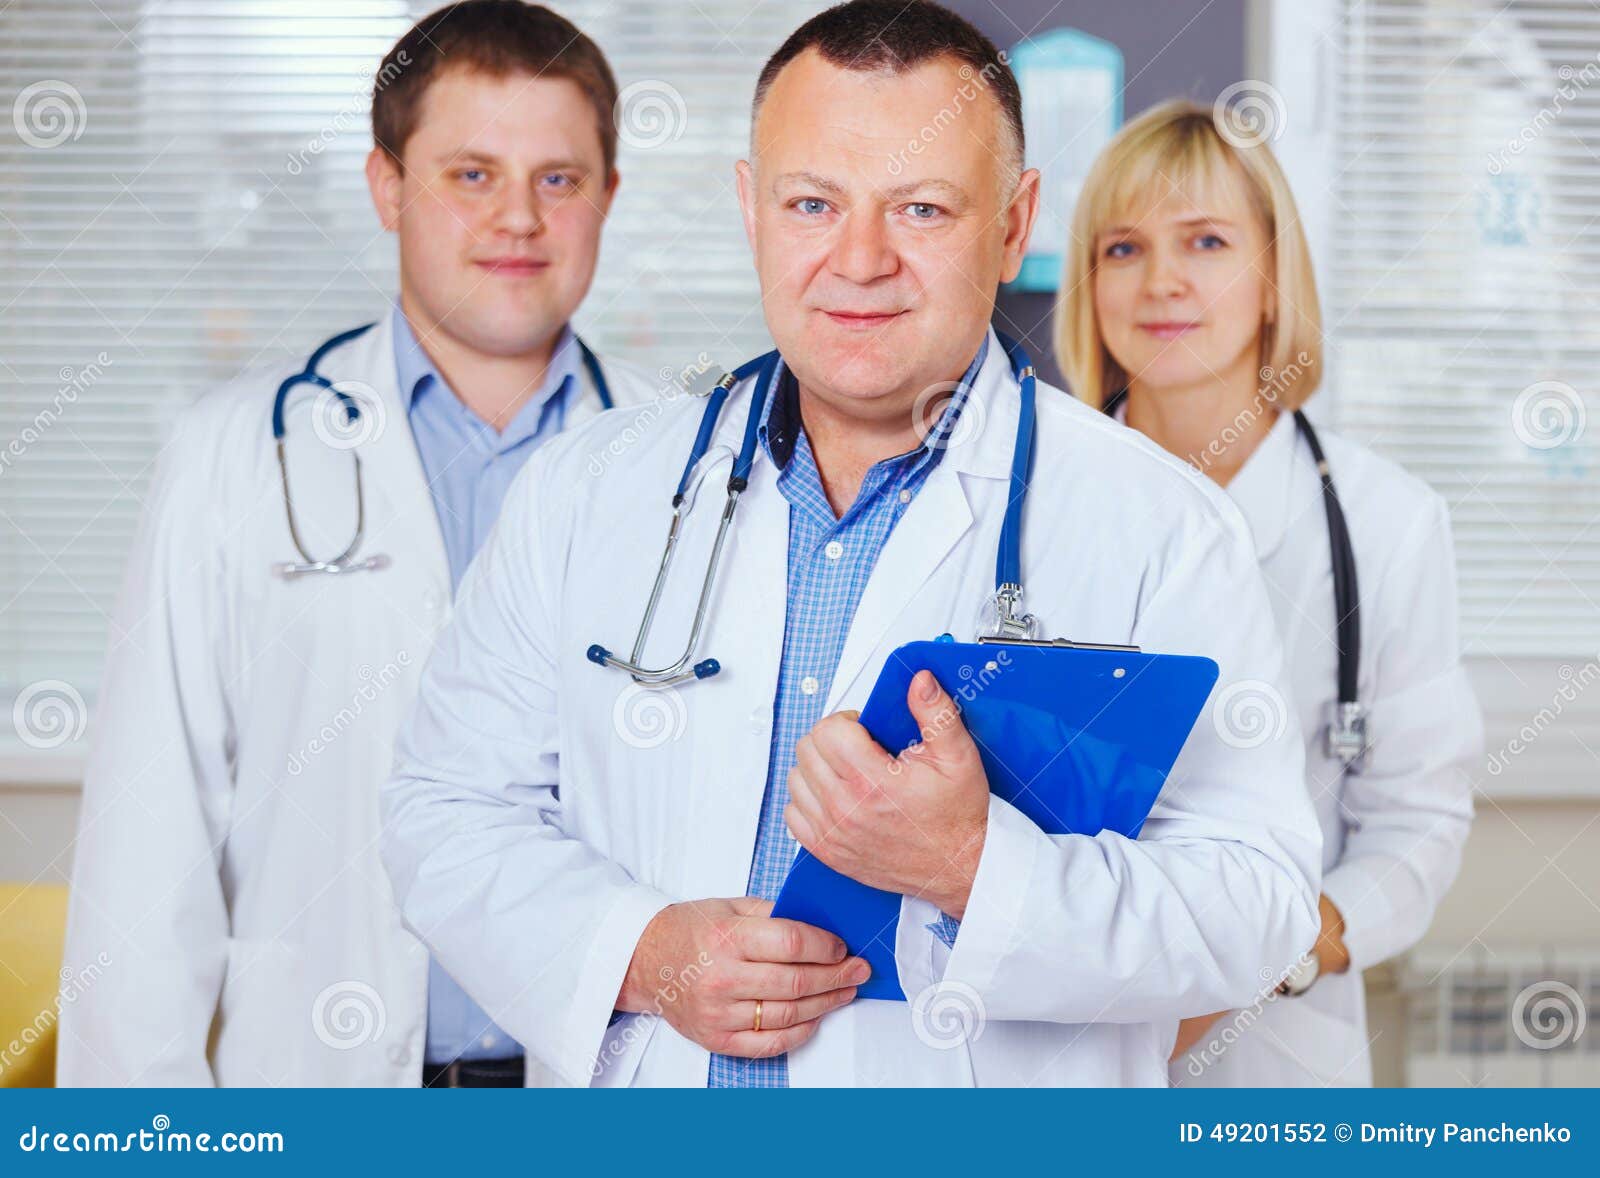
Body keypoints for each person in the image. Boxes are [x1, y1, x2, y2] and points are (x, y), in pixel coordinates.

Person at [381, 0, 1321, 1089]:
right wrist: (640, 952)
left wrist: (977, 868)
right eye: (812, 202)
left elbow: (1259, 902)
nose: (858, 260)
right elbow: (443, 812)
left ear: (1014, 224)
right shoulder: (588, 489)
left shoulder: (1159, 522)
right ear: (750, 207)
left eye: (920, 209)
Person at [58, 0, 657, 1088]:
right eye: (470, 173)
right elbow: (148, 845)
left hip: (599, 1088)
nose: (517, 218)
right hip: (317, 1088)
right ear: (388, 187)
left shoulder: (687, 472)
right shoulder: (235, 456)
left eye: (558, 179)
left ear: (608, 197)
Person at [1055, 99, 1479, 1087]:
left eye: (1204, 240)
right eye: (1122, 248)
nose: (1161, 281)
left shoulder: (1387, 522)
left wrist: (1268, 959)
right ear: (1089, 283)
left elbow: (1416, 823)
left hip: (1275, 1056)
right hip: (1054, 1044)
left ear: (1275, 273)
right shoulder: (1020, 501)